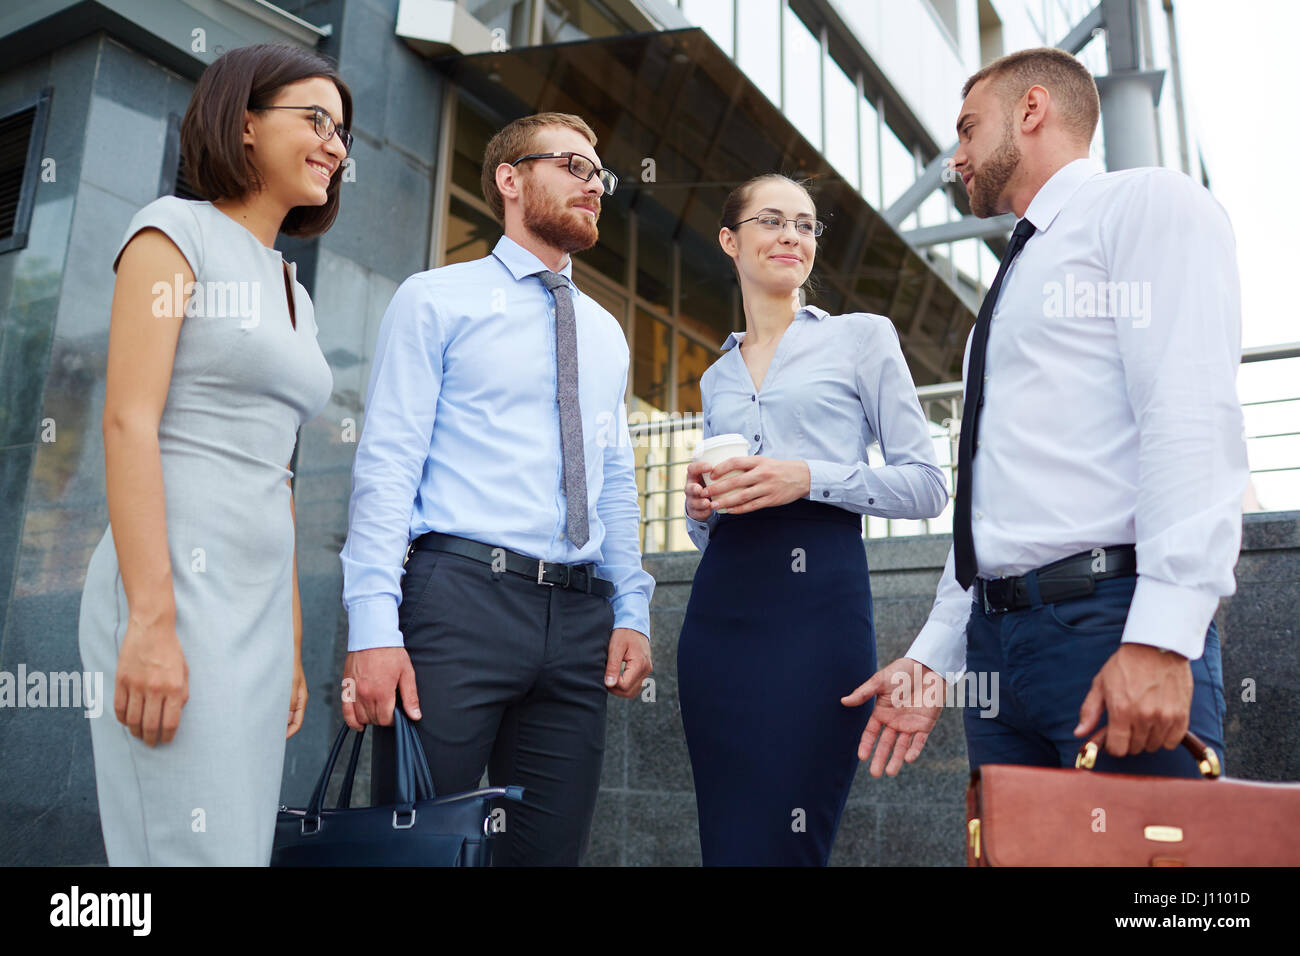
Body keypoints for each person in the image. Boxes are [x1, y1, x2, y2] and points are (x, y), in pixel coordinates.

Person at [844, 47, 1245, 782]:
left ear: (1031, 109)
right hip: (1000, 648)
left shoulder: (1145, 204)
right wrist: (936, 654)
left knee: (1151, 895)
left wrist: (1163, 637)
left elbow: (1188, 418)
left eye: (968, 130)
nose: (955, 158)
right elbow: (992, 503)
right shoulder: (1017, 273)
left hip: (1109, 623)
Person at [338, 112, 653, 866]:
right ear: (511, 181)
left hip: (579, 619)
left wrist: (632, 606)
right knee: (414, 850)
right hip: (458, 601)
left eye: (598, 174)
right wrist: (373, 626)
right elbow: (387, 464)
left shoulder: (607, 331)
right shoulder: (434, 298)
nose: (594, 186)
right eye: (572, 167)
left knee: (547, 855)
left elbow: (612, 477)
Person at [78, 43, 350, 864]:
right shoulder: (173, 231)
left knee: (232, 850)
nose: (337, 146)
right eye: (315, 121)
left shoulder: (292, 289)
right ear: (241, 126)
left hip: (260, 612)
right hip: (175, 593)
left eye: (343, 133)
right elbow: (127, 421)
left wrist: (294, 644)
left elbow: (283, 473)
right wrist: (152, 623)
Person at [677, 173, 948, 865]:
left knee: (790, 842)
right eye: (772, 221)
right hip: (720, 618)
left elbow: (925, 486)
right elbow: (709, 531)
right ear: (730, 240)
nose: (793, 235)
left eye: (805, 224)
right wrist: (698, 507)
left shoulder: (863, 338)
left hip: (817, 611)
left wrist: (807, 477)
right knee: (729, 843)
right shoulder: (716, 375)